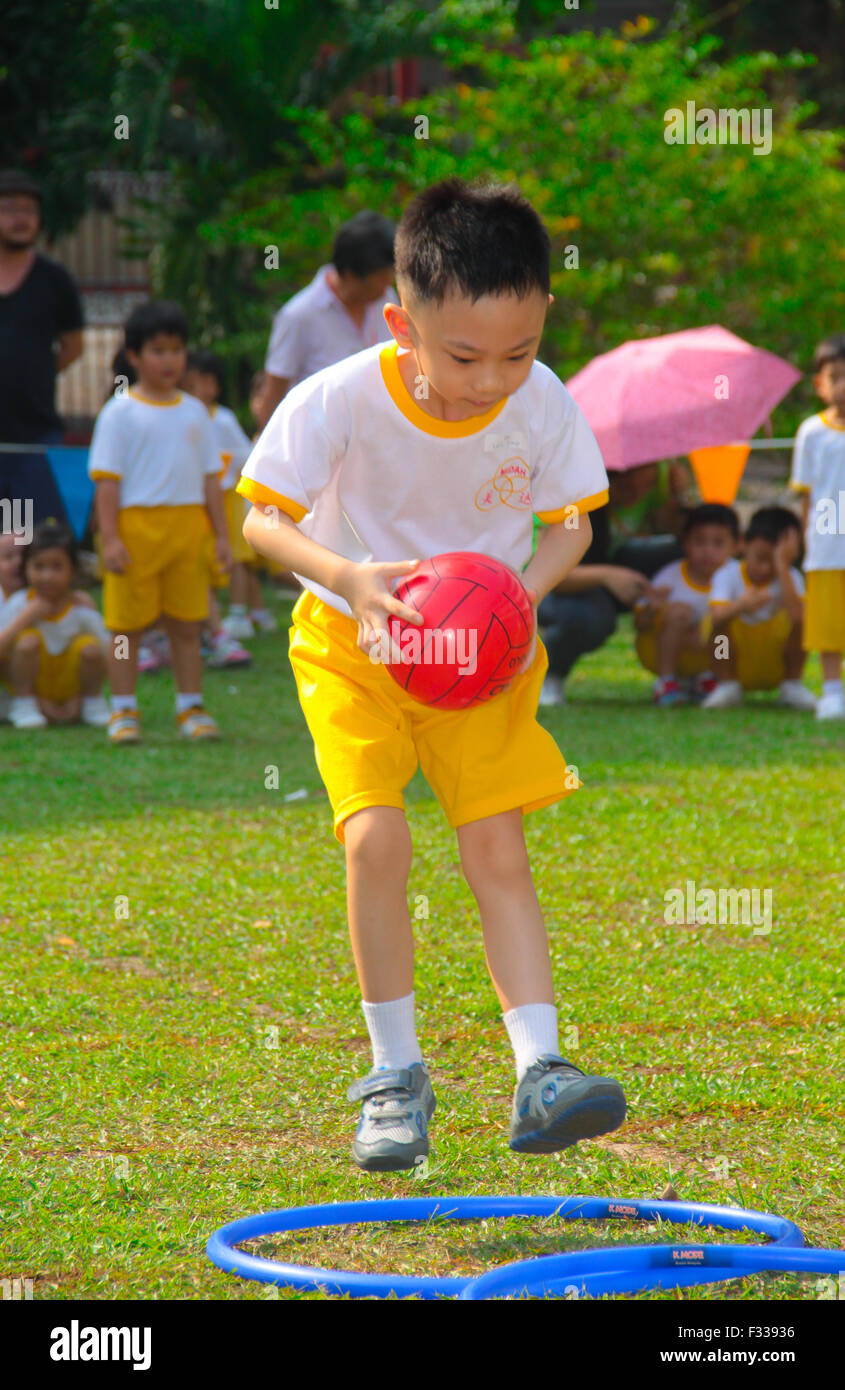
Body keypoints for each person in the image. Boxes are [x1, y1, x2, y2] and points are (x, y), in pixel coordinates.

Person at [237, 177, 626, 1172]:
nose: (493, 378)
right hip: (351, 648)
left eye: (520, 350)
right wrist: (346, 576)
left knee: (498, 850)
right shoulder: (337, 398)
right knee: (376, 842)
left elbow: (572, 519)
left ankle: (540, 1070)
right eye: (463, 355)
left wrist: (522, 593)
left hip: (483, 661)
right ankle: (393, 1077)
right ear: (398, 321)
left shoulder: (537, 402)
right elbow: (259, 517)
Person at [87, 301, 232, 743]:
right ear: (133, 356)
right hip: (135, 532)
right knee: (125, 628)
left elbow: (211, 480)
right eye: (158, 350)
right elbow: (107, 484)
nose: (170, 360)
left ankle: (190, 707)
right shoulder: (118, 414)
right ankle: (123, 710)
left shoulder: (196, 413)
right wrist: (110, 538)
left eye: (176, 350)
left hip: (188, 532)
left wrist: (222, 535)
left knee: (187, 624)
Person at [534, 461, 690, 705]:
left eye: (645, 484)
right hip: (546, 583)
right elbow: (551, 575)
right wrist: (609, 576)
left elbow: (671, 530)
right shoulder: (574, 496)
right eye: (624, 484)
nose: (636, 492)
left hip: (610, 561)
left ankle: (696, 672)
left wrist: (678, 496)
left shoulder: (660, 476)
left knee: (696, 559)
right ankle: (550, 673)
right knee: (585, 618)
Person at [0, 170, 84, 528]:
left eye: (29, 211)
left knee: (23, 539)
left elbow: (73, 346)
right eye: (10, 209)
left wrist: (32, 372)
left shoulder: (54, 279)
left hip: (32, 437)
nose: (21, 219)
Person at [257, 211, 398, 423]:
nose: (388, 283)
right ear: (351, 275)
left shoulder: (387, 300)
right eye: (381, 278)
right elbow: (274, 392)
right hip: (318, 443)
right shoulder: (299, 317)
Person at [180, 350, 256, 666]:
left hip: (225, 497)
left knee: (236, 557)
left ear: (212, 385)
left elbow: (246, 455)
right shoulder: (184, 416)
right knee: (203, 561)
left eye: (195, 383)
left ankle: (238, 614)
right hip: (194, 502)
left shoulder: (222, 419)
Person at [701, 506, 815, 711]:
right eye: (760, 558)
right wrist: (741, 606)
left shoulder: (791, 578)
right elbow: (717, 618)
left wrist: (783, 568)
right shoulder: (727, 574)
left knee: (804, 618)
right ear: (744, 543)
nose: (765, 569)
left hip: (777, 661)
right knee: (718, 627)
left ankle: (792, 684)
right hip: (734, 659)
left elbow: (799, 619)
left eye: (774, 561)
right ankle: (727, 685)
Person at [0, 519, 109, 728]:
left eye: (56, 567)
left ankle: (92, 702)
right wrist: (28, 616)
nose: (47, 576)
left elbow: (109, 645)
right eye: (39, 567)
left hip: (70, 685)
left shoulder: (80, 605)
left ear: (73, 570)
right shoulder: (19, 603)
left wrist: (128, 645)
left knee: (90, 648)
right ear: (27, 568)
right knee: (27, 642)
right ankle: (25, 703)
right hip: (30, 685)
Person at [789, 332, 845, 721]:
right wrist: (806, 542)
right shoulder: (811, 432)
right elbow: (806, 494)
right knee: (828, 622)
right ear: (820, 384)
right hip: (826, 546)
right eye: (837, 376)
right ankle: (831, 691)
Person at [632, 503, 739, 706]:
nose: (708, 551)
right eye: (699, 542)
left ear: (736, 546)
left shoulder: (737, 575)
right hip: (670, 651)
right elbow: (639, 623)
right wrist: (653, 608)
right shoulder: (670, 576)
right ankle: (667, 681)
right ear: (685, 543)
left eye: (718, 543)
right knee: (679, 612)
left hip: (718, 652)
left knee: (721, 621)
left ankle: (715, 677)